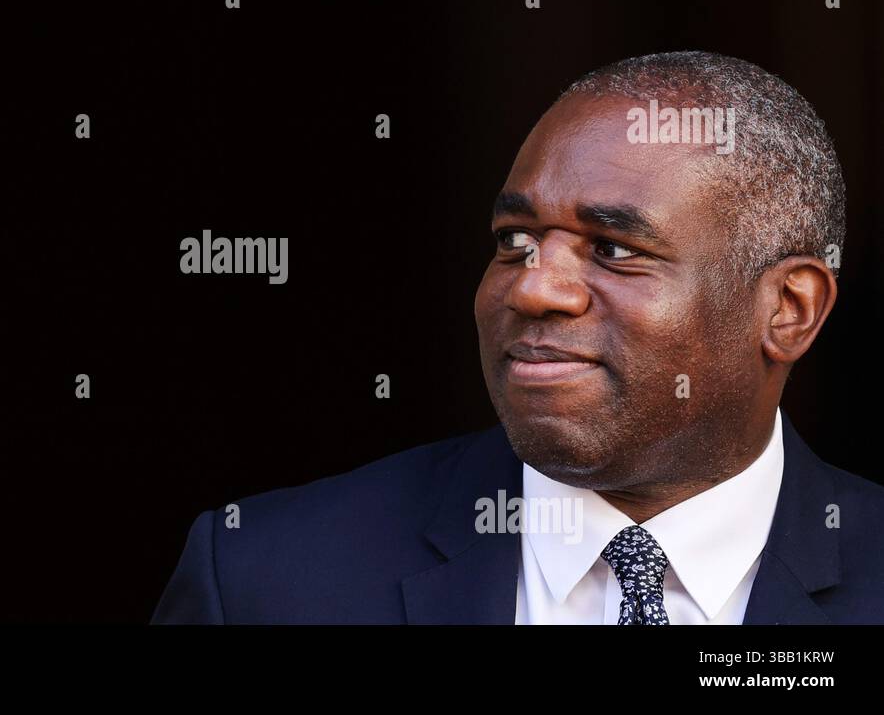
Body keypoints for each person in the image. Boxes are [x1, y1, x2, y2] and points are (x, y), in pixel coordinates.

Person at [151, 51, 884, 624]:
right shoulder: (268, 578)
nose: (532, 286)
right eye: (514, 238)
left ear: (789, 308)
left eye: (613, 248)